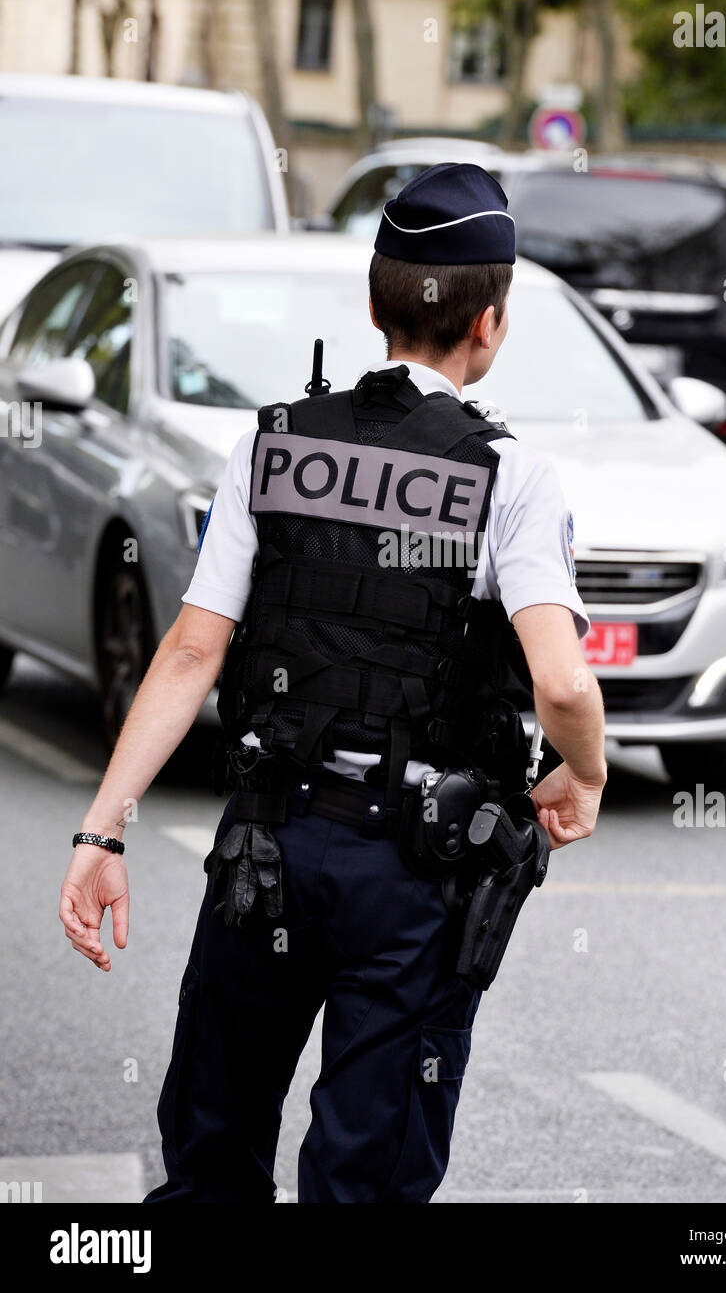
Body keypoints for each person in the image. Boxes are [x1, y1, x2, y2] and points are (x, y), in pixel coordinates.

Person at [59, 162, 607, 1204]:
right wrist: (584, 771)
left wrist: (103, 828)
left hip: (263, 850)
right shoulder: (512, 479)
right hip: (412, 876)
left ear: (372, 303)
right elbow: (564, 684)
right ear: (489, 324)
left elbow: (187, 652)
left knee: (212, 1159)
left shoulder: (271, 444)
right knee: (363, 1177)